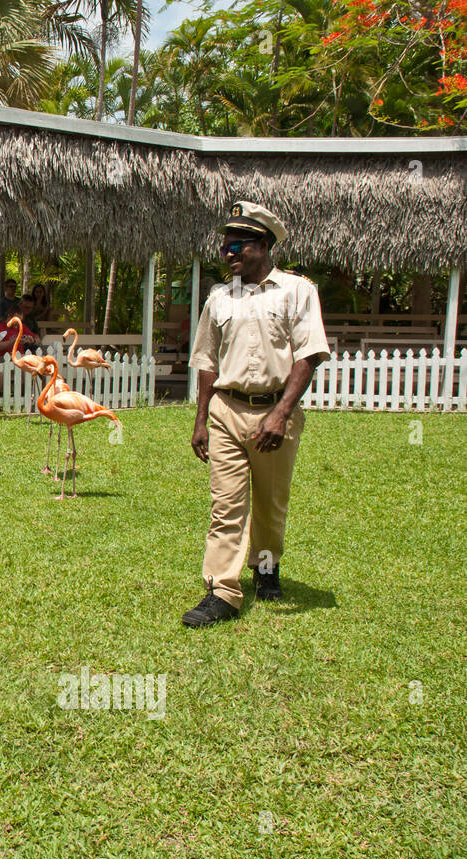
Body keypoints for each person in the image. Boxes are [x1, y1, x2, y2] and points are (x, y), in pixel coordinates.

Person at [183, 201, 330, 627]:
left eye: (239, 244)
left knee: (270, 502)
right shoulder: (218, 298)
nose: (229, 252)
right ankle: (222, 592)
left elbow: (308, 355)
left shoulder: (297, 291)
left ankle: (266, 569)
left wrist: (282, 413)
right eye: (226, 244)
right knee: (225, 506)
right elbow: (207, 361)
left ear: (264, 245)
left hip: (274, 412)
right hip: (226, 411)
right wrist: (200, 420)